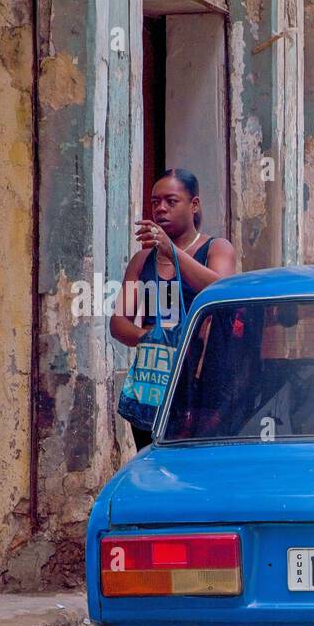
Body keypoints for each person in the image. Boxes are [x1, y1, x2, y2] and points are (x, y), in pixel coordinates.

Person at [111, 168, 238, 450]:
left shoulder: (217, 248)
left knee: (197, 462)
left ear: (194, 205)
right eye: (155, 202)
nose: (161, 209)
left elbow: (222, 292)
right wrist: (151, 337)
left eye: (171, 201)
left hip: (203, 384)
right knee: (153, 459)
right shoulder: (142, 260)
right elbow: (118, 323)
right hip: (154, 384)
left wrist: (173, 252)